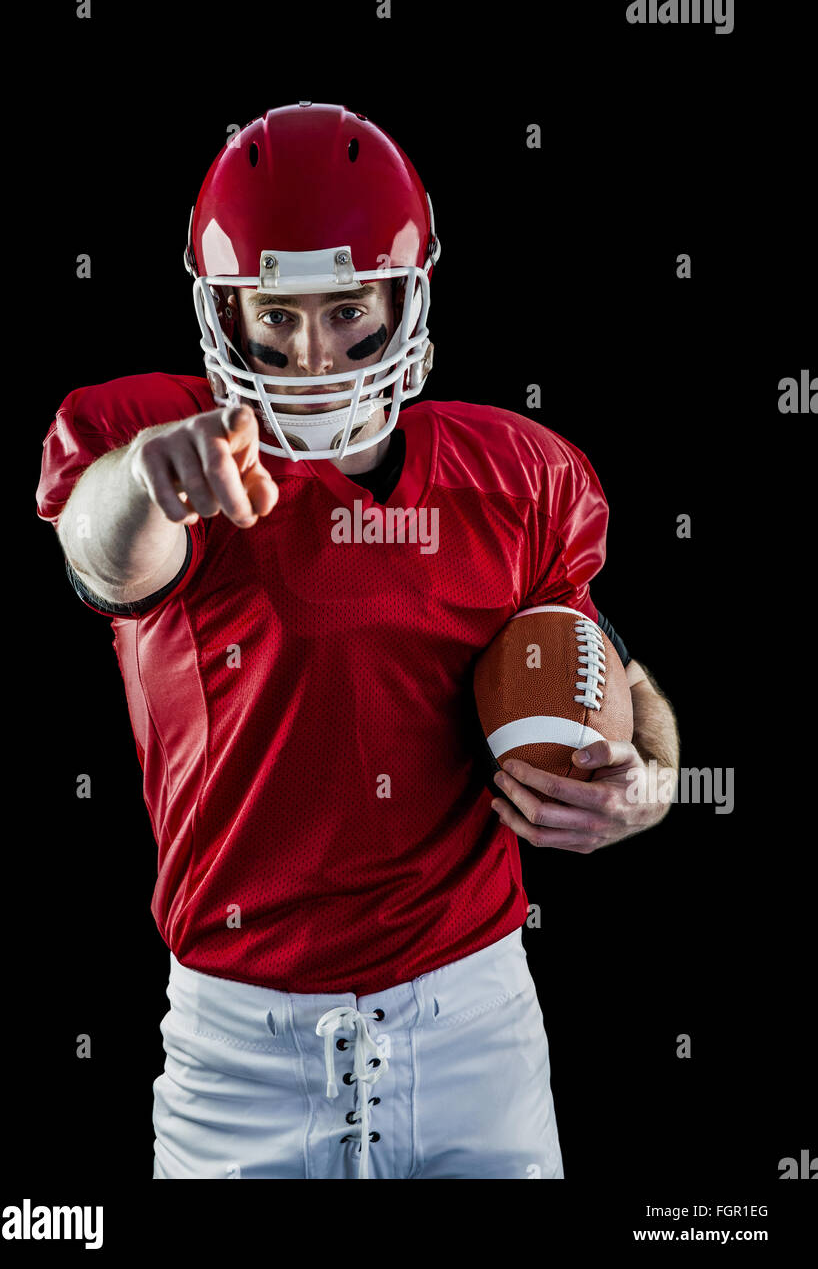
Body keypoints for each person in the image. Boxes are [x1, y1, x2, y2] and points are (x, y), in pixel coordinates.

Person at [36, 102, 677, 1180]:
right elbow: (104, 559)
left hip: (471, 1022)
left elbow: (600, 651)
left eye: (346, 313)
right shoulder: (169, 451)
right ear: (222, 314)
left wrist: (649, 770)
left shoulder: (516, 475)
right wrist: (150, 475)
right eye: (273, 319)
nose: (310, 355)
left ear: (403, 298)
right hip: (239, 1052)